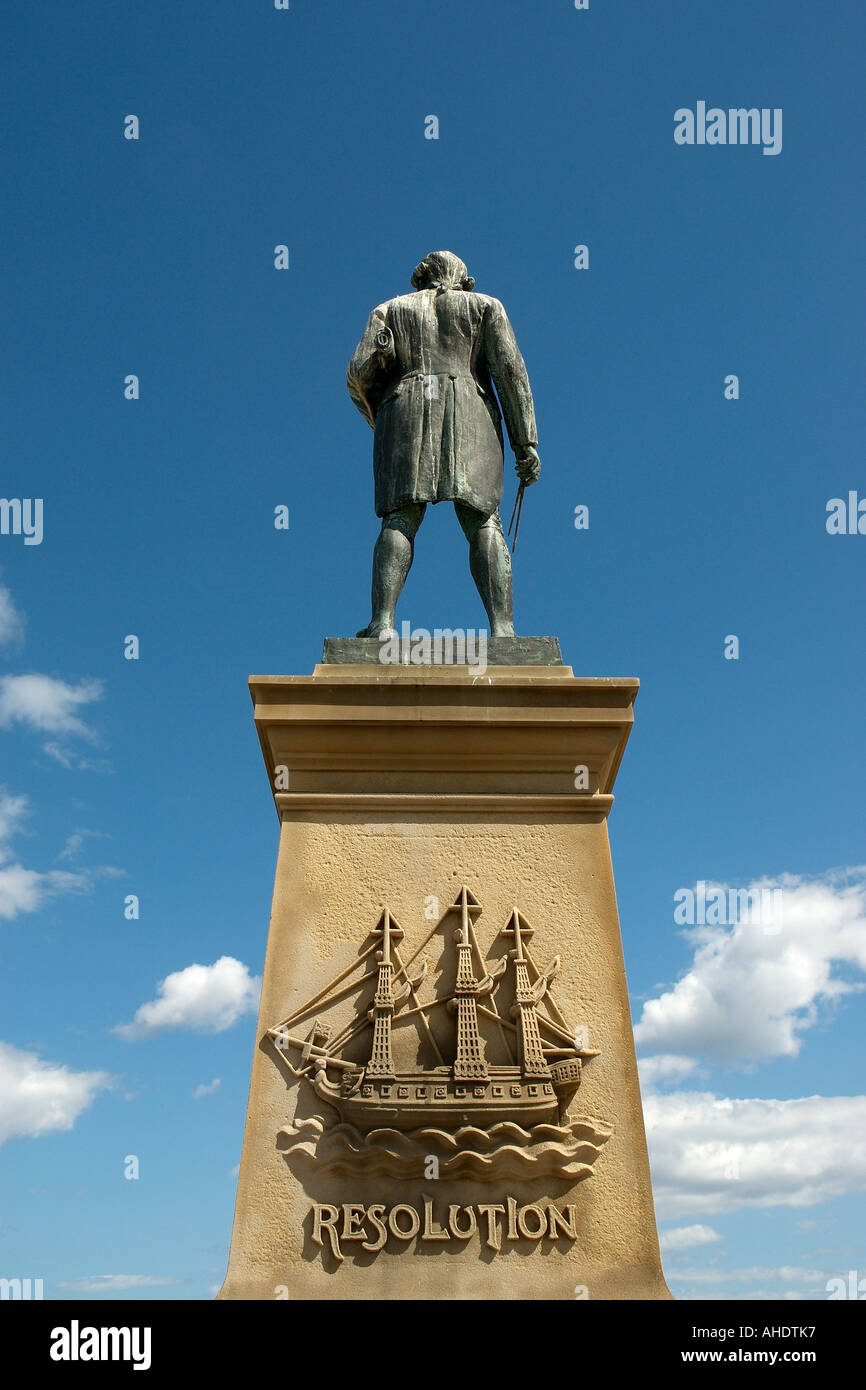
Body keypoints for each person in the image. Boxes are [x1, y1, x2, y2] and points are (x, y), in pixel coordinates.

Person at [347, 250, 541, 637]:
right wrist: (526, 442)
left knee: (399, 518)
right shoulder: (485, 306)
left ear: (422, 277)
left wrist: (381, 417)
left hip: (404, 410)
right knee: (483, 519)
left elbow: (357, 375)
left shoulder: (388, 310)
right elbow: (509, 372)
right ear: (463, 278)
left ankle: (383, 623)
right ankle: (503, 631)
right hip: (471, 409)